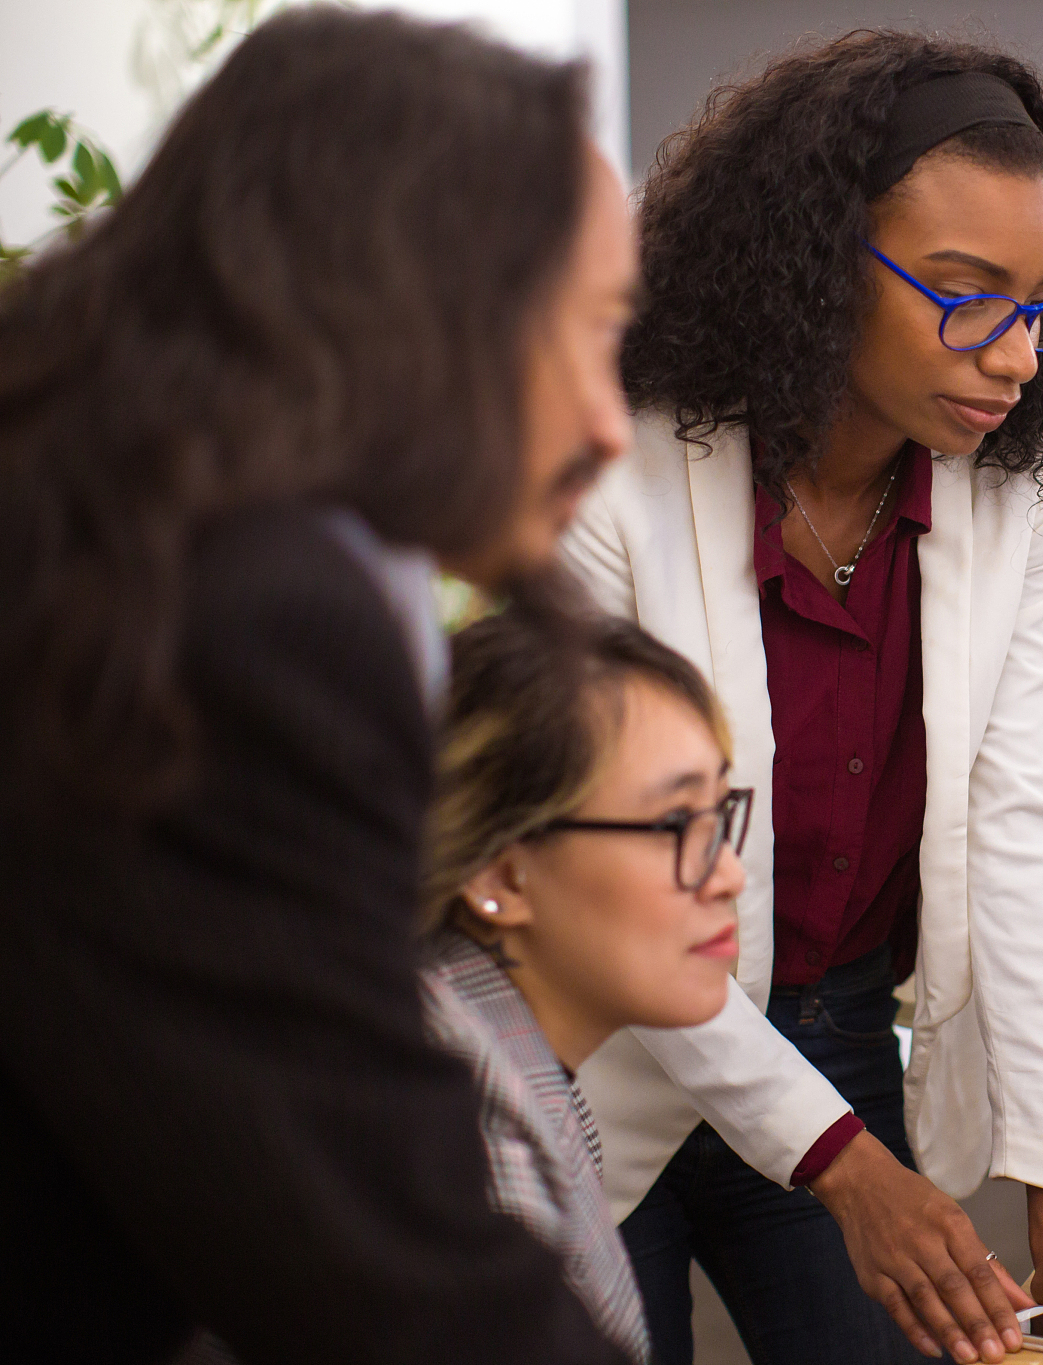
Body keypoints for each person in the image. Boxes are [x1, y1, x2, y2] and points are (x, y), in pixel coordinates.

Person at [561, 29, 1043, 1365]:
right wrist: (848, 1168)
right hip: (596, 1049)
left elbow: (1019, 818)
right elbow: (621, 887)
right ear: (819, 268)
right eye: (964, 292)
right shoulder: (615, 468)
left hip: (830, 1021)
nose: (1012, 355)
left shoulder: (1017, 474)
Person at [0, 9, 637, 1362]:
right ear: (422, 304)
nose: (606, 420)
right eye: (585, 335)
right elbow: (373, 1252)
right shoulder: (258, 613)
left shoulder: (101, 516)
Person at [419, 609, 758, 1365]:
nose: (730, 874)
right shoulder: (463, 1135)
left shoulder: (483, 1045)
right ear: (501, 874)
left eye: (719, 817)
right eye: (674, 823)